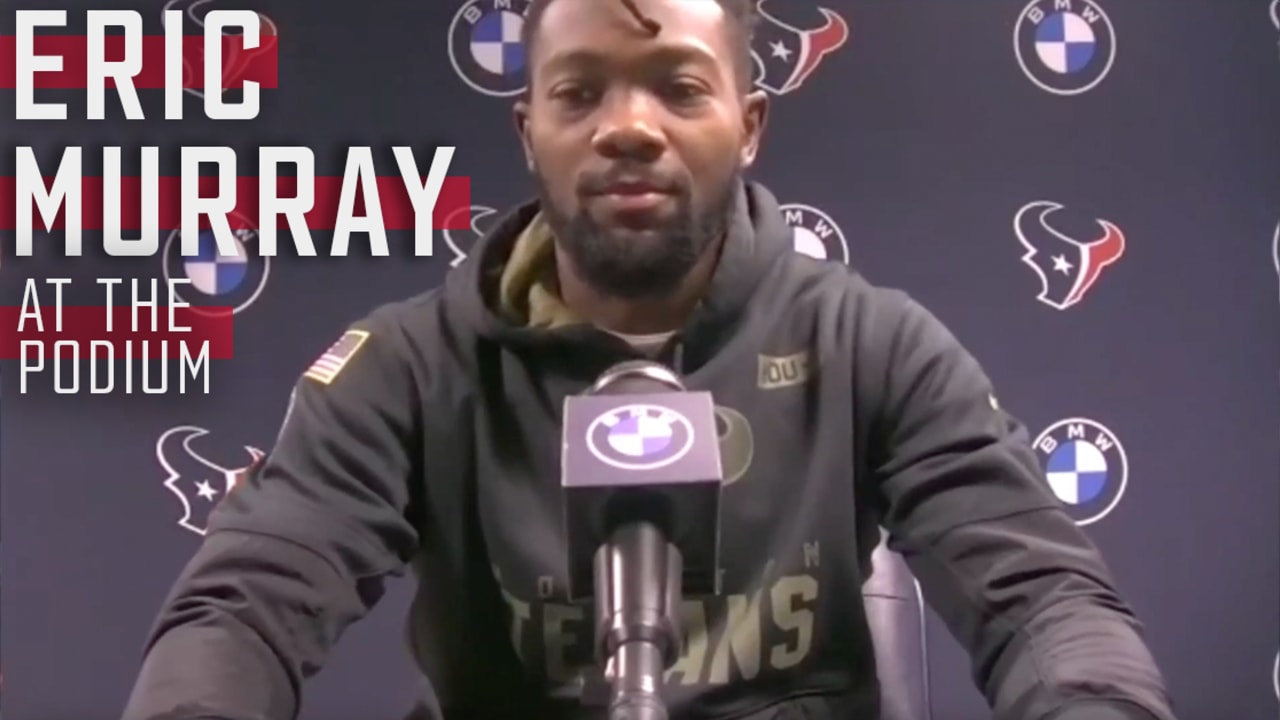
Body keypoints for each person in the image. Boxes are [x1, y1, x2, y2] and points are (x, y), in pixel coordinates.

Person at [122, 0, 1179, 718]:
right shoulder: (409, 367)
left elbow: (1041, 602)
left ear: (748, 124)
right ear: (527, 126)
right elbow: (247, 604)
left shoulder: (872, 344)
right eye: (579, 94)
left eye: (678, 88)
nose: (629, 128)